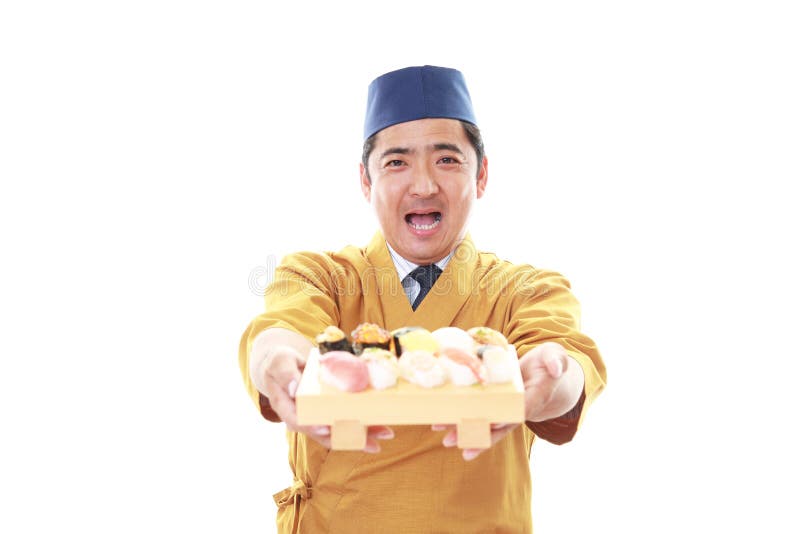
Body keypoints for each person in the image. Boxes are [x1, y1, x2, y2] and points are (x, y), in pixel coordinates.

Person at [239, 65, 606, 533]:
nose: (424, 185)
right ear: (366, 181)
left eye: (447, 160)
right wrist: (274, 361)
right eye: (397, 162)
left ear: (482, 175)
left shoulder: (526, 290)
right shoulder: (320, 275)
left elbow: (564, 357)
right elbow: (280, 332)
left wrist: (554, 379)